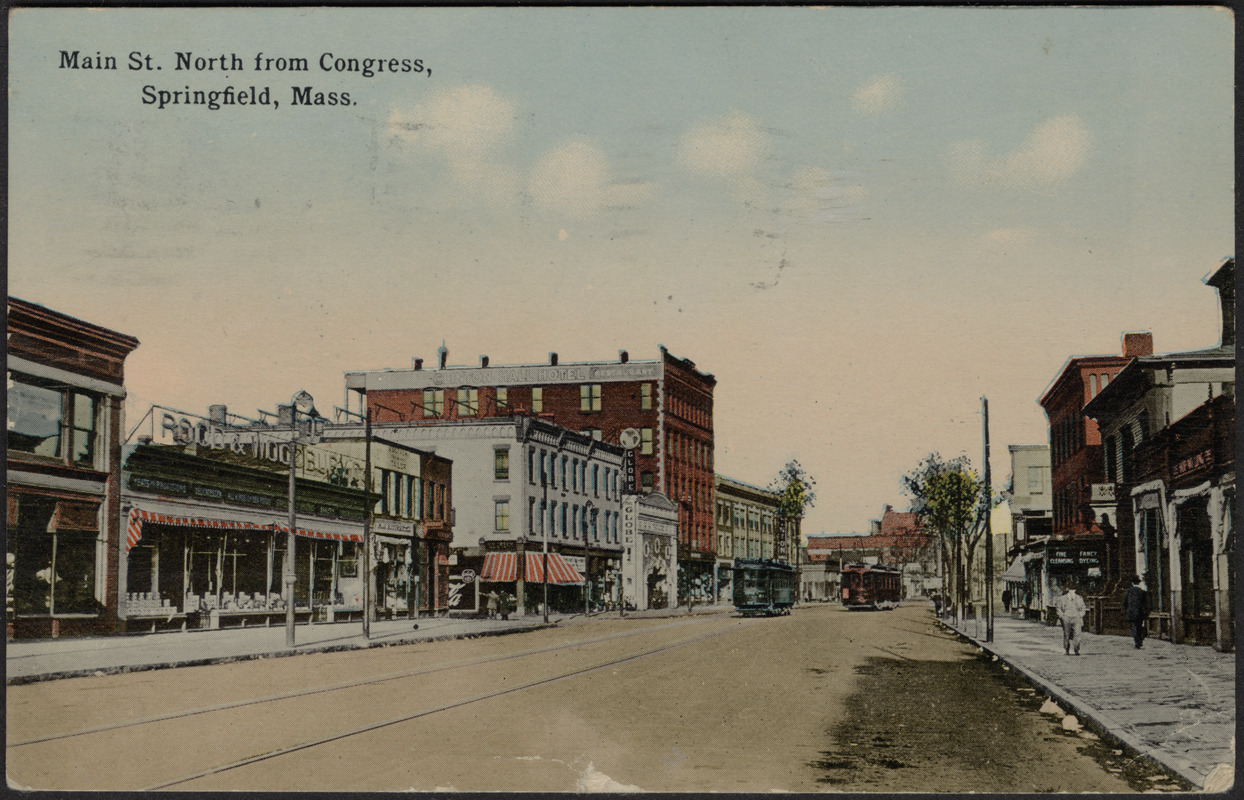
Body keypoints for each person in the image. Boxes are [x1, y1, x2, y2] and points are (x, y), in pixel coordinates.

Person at [1055, 583, 1086, 655]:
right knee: (1067, 634)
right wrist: (1062, 616)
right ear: (1068, 590)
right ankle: (1066, 649)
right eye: (1071, 590)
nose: (1072, 591)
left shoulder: (1079, 598)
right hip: (1066, 617)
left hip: (1076, 617)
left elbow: (1083, 608)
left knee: (1077, 634)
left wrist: (1080, 615)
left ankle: (1076, 650)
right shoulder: (1062, 598)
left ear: (1075, 590)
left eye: (1073, 590)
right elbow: (1058, 608)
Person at [1123, 574, 1149, 649]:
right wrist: (1146, 613)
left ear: (1132, 583)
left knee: (1133, 628)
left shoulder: (1128, 591)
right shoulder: (1142, 592)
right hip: (1140, 613)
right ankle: (1139, 640)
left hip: (1131, 613)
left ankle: (1137, 642)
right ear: (1139, 583)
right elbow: (1146, 604)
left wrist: (1125, 611)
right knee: (1139, 627)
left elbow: (1124, 603)